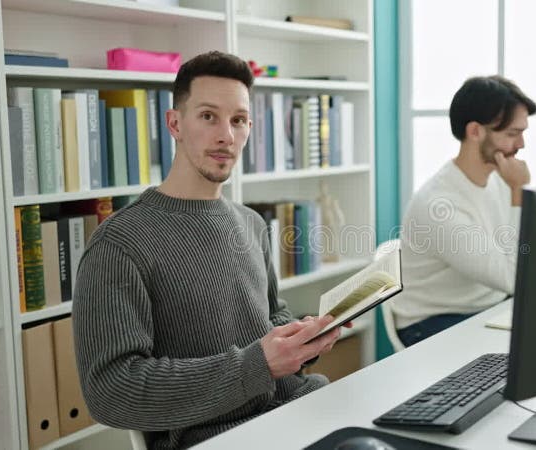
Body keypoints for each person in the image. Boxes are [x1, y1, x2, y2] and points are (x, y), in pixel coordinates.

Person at [72, 51, 345, 450]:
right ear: (175, 123)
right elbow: (111, 392)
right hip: (220, 439)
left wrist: (304, 339)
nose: (226, 136)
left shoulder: (250, 222)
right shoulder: (120, 244)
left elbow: (268, 319)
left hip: (301, 413)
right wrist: (258, 365)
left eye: (238, 120)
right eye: (208, 116)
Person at [391, 75, 536, 347]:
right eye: (512, 134)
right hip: (434, 321)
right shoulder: (439, 205)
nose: (521, 145)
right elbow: (515, 277)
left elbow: (521, 255)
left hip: (488, 305)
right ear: (475, 132)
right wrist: (520, 192)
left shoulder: (500, 179)